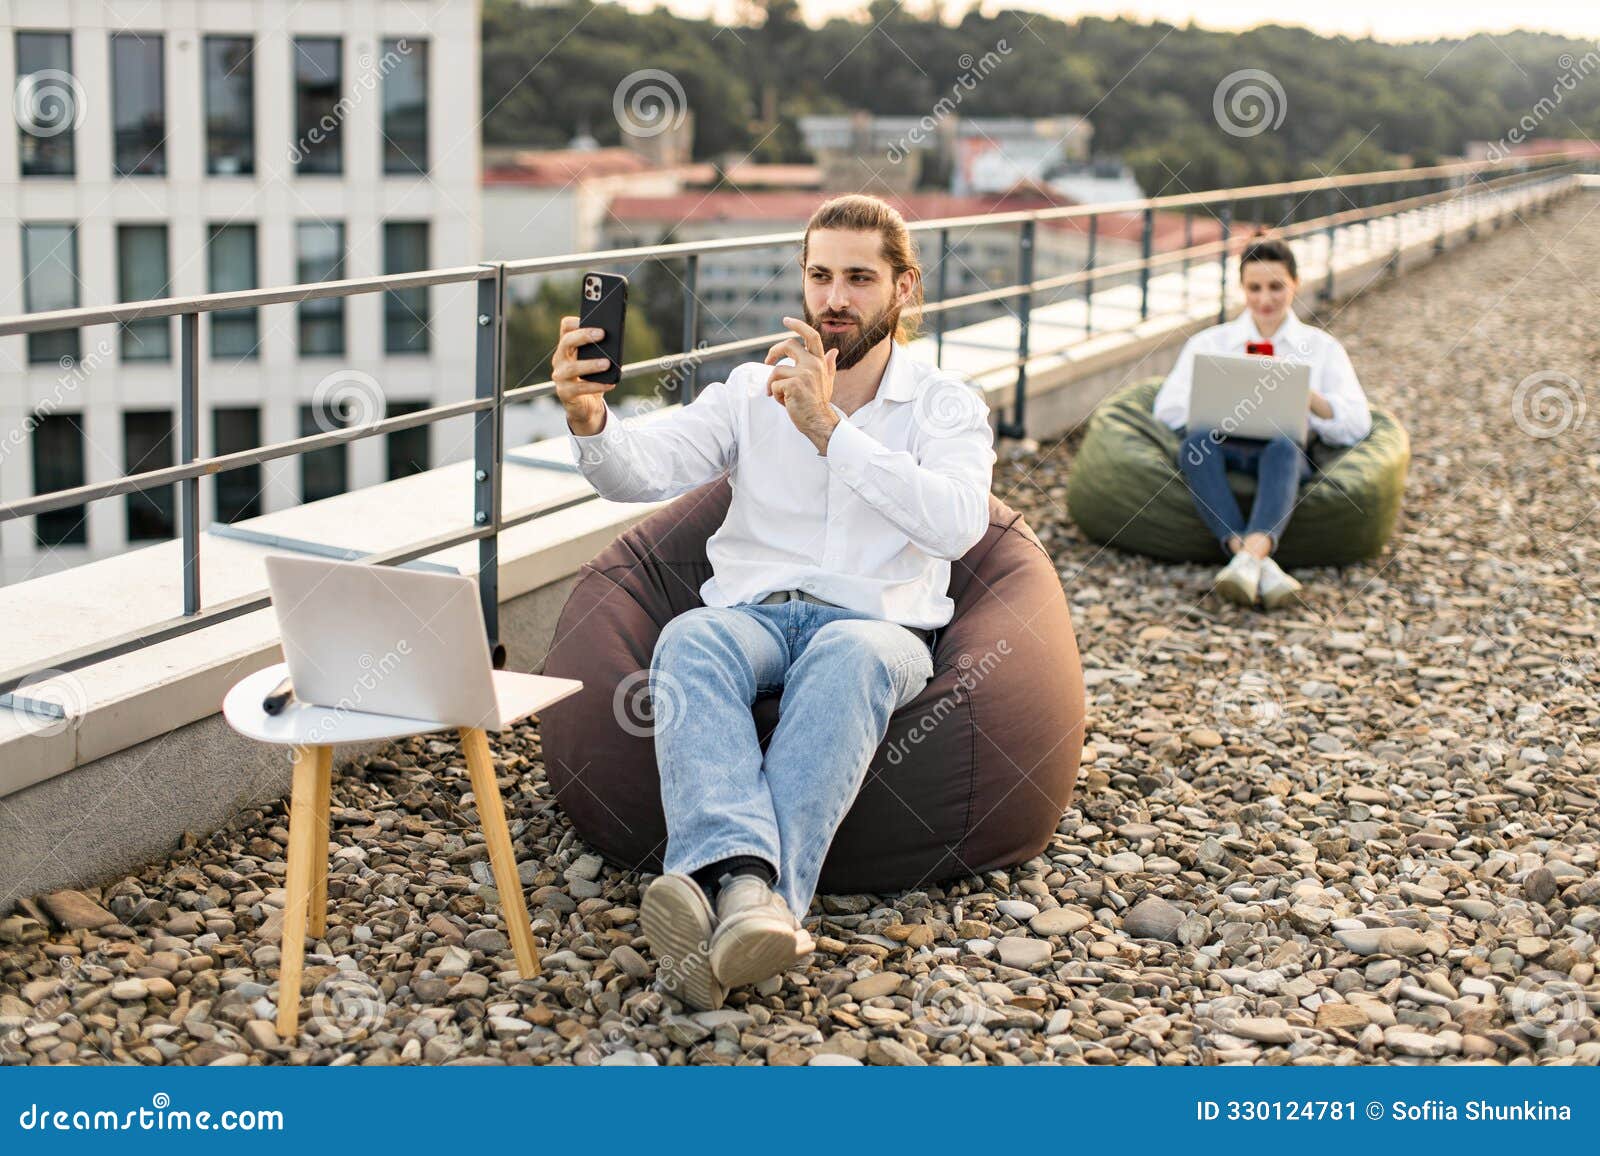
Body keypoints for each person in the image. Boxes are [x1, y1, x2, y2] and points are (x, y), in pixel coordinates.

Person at [550, 194, 996, 1011]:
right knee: (690, 637)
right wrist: (591, 419)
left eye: (860, 278)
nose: (834, 298)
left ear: (905, 290)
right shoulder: (751, 390)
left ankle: (728, 900)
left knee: (846, 655)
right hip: (755, 615)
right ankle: (755, 901)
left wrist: (831, 429)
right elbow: (638, 471)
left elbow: (962, 525)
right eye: (820, 275)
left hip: (878, 625)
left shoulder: (946, 405)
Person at [1152, 236, 1372, 608]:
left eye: (1276, 287)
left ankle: (1243, 557)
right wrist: (1219, 397)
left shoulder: (1322, 348)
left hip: (1283, 453)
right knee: (1195, 446)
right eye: (1254, 288)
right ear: (1242, 289)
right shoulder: (1211, 343)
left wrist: (1310, 400)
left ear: (1296, 284)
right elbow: (1166, 408)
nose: (1265, 299)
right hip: (1222, 446)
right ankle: (1258, 560)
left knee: (1286, 445)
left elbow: (1359, 422)